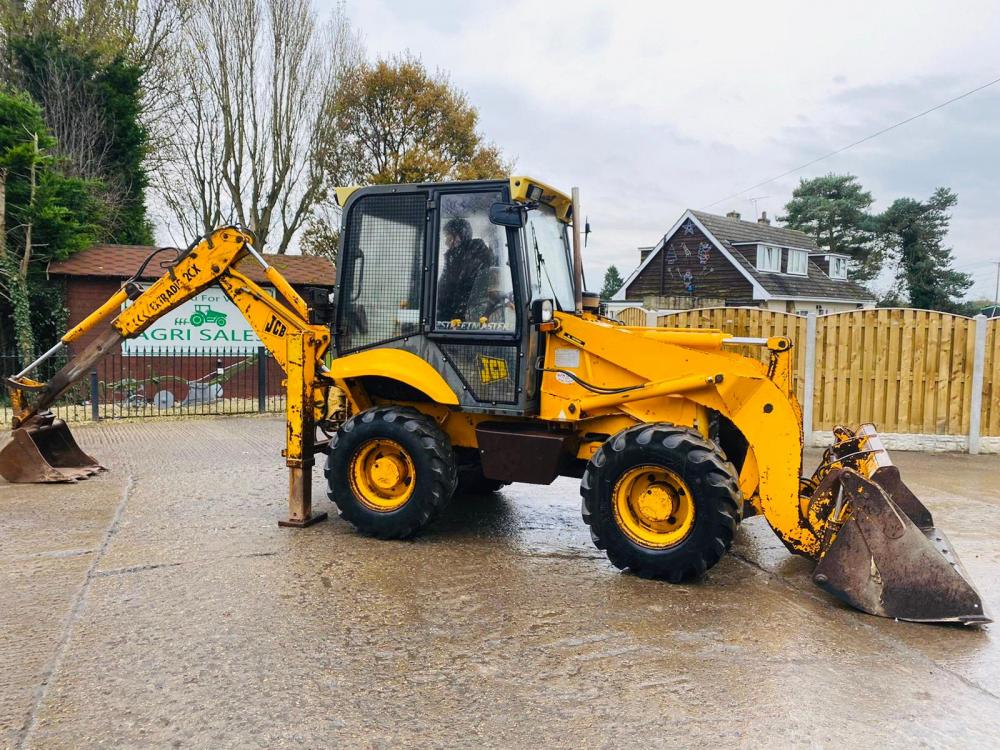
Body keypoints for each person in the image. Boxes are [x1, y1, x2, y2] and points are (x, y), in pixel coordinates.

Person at [436, 217, 494, 322]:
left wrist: (453, 316)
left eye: (448, 238)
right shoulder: (456, 258)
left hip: (466, 319)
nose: (446, 243)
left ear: (458, 238)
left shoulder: (472, 259)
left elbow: (465, 291)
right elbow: (443, 290)